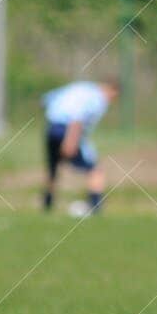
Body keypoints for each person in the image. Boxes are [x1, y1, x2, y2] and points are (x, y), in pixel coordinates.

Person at [41, 77, 119, 214]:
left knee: (53, 168)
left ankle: (47, 205)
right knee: (94, 170)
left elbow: (46, 99)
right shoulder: (97, 98)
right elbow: (77, 118)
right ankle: (96, 207)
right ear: (110, 89)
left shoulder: (80, 87)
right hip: (68, 130)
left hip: (51, 127)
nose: (112, 100)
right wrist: (70, 141)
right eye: (113, 96)